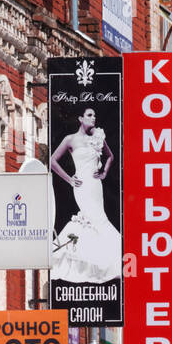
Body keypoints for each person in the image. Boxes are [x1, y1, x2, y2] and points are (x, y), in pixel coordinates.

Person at [49, 108, 121, 284]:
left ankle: (96, 264)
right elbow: (52, 161)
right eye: (89, 115)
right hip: (81, 187)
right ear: (80, 118)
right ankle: (104, 261)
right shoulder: (70, 139)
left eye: (95, 115)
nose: (93, 118)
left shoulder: (98, 137)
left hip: (96, 186)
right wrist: (69, 180)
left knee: (98, 221)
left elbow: (110, 156)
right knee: (92, 220)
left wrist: (104, 172)